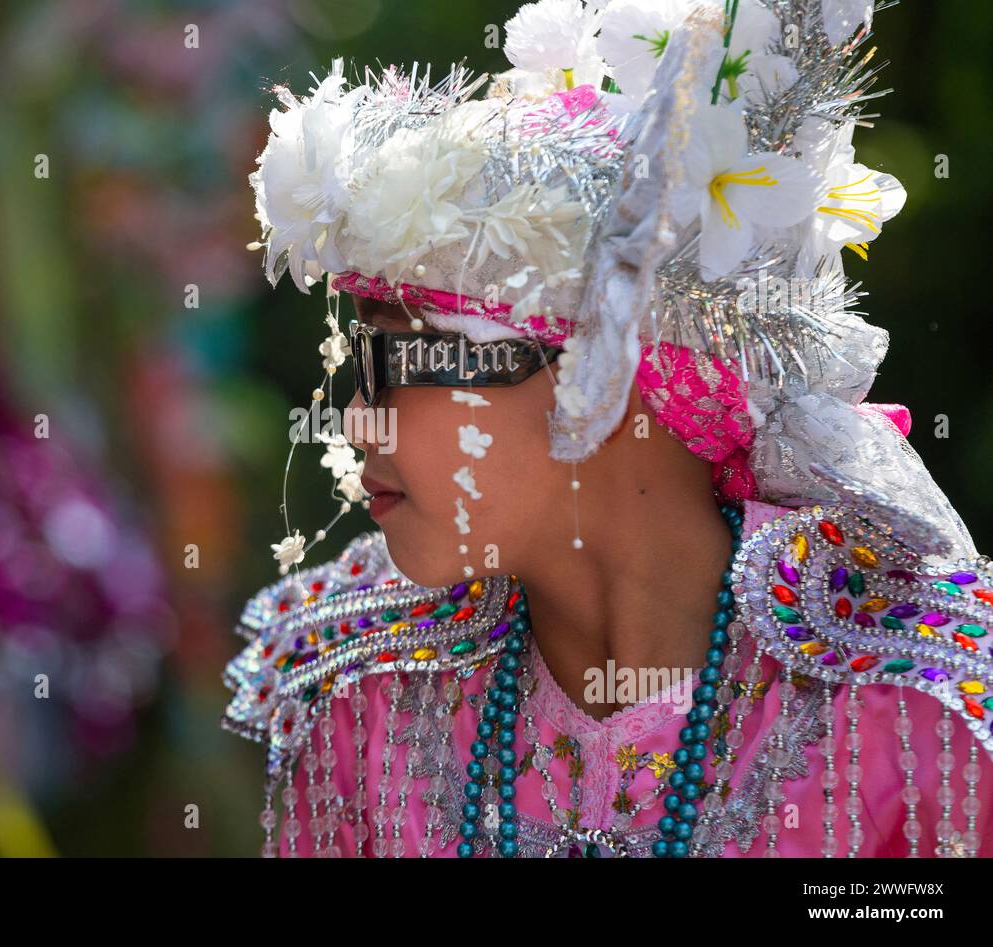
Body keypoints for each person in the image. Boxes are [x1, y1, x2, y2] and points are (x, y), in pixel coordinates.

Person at [222, 0, 993, 857]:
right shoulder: (365, 696)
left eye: (403, 359)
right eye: (356, 360)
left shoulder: (914, 716)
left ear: (615, 370)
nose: (356, 417)